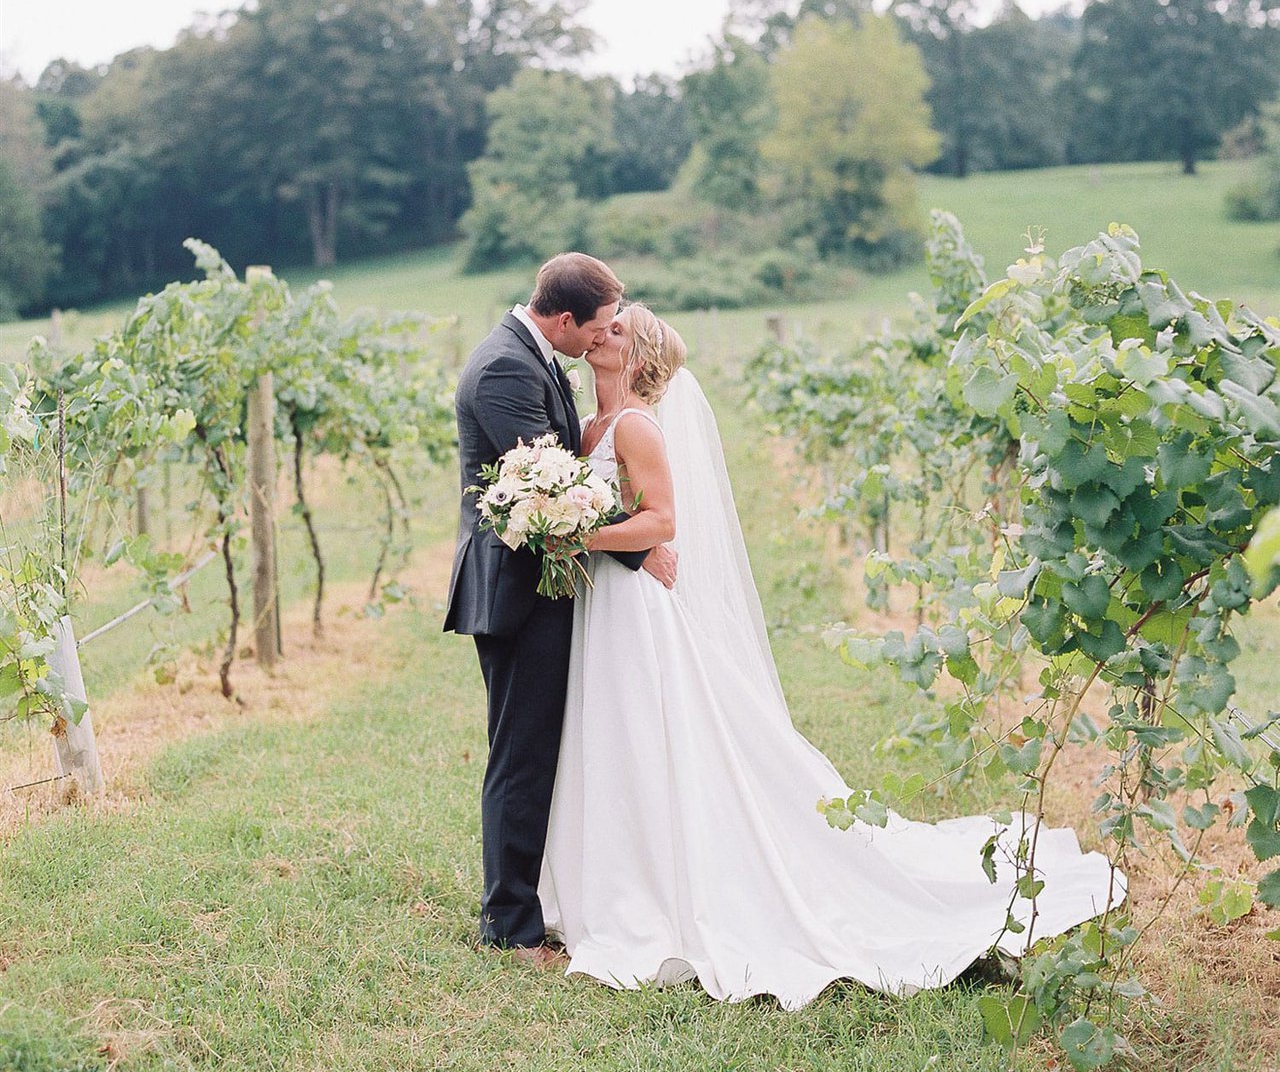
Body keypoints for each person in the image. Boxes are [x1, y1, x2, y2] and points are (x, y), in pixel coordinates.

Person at [538, 303, 1127, 1010]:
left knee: (644, 734)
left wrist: (576, 537)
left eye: (619, 330)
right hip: (604, 604)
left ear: (637, 357)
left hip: (632, 607)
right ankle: (610, 875)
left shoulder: (634, 424)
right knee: (612, 737)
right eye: (603, 325)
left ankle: (651, 888)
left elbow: (663, 521)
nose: (602, 333)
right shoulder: (589, 423)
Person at [444, 254, 677, 963]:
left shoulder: (534, 355)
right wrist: (639, 548)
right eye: (599, 325)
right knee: (521, 755)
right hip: (517, 592)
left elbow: (570, 485)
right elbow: (550, 489)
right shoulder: (507, 367)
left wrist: (643, 536)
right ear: (566, 320)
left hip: (550, 585)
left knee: (550, 748)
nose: (603, 337)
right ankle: (510, 925)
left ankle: (551, 895)